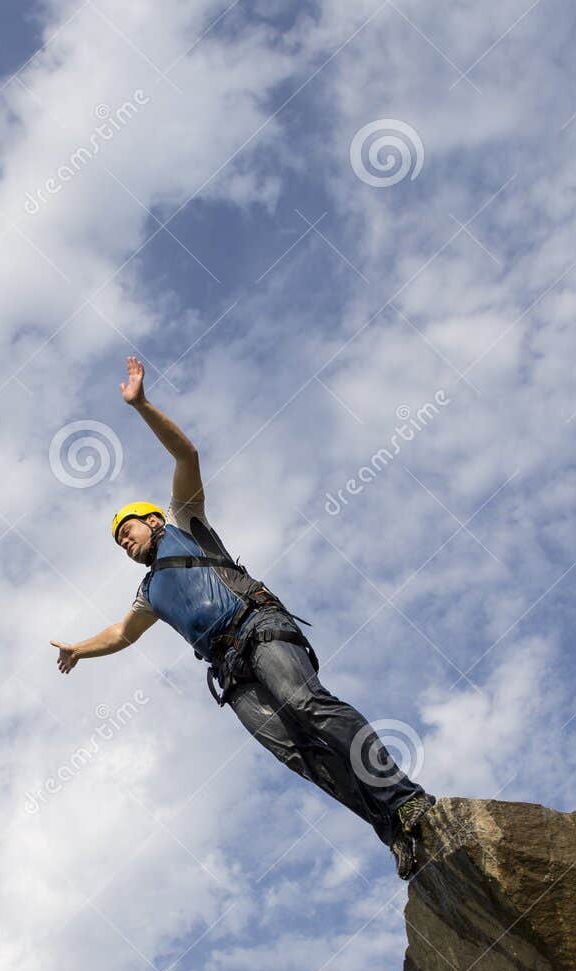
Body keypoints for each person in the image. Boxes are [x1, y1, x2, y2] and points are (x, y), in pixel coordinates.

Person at [51, 357, 437, 878]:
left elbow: (187, 453)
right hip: (231, 675)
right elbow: (121, 633)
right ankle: (392, 827)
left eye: (128, 530)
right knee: (298, 756)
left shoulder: (185, 520)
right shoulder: (147, 593)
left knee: (307, 704)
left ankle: (406, 798)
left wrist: (141, 405)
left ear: (152, 520)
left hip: (258, 629)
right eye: (119, 542)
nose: (124, 542)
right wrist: (78, 647)